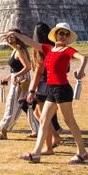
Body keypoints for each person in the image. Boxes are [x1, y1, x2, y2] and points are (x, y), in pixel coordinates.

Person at [6, 22, 88, 164]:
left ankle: (82, 152)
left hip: (62, 89)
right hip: (51, 89)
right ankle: (36, 153)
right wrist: (16, 35)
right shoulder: (48, 49)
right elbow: (32, 42)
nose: (63, 36)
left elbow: (83, 58)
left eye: (66, 34)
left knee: (69, 121)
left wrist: (81, 69)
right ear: (55, 34)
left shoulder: (67, 50)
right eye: (61, 33)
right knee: (44, 119)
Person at [27, 22, 62, 150]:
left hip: (44, 85)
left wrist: (31, 90)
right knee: (38, 113)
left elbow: (38, 72)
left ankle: (48, 146)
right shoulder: (53, 47)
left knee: (44, 118)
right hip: (54, 83)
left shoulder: (41, 50)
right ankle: (54, 136)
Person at [0, 29, 32, 139]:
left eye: (11, 37)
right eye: (8, 37)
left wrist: (15, 76)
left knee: (12, 105)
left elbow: (28, 67)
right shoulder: (15, 49)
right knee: (22, 105)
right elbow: (16, 68)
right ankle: (37, 128)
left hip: (21, 80)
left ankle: (3, 130)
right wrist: (9, 77)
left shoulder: (19, 50)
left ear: (17, 37)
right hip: (18, 78)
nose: (9, 39)